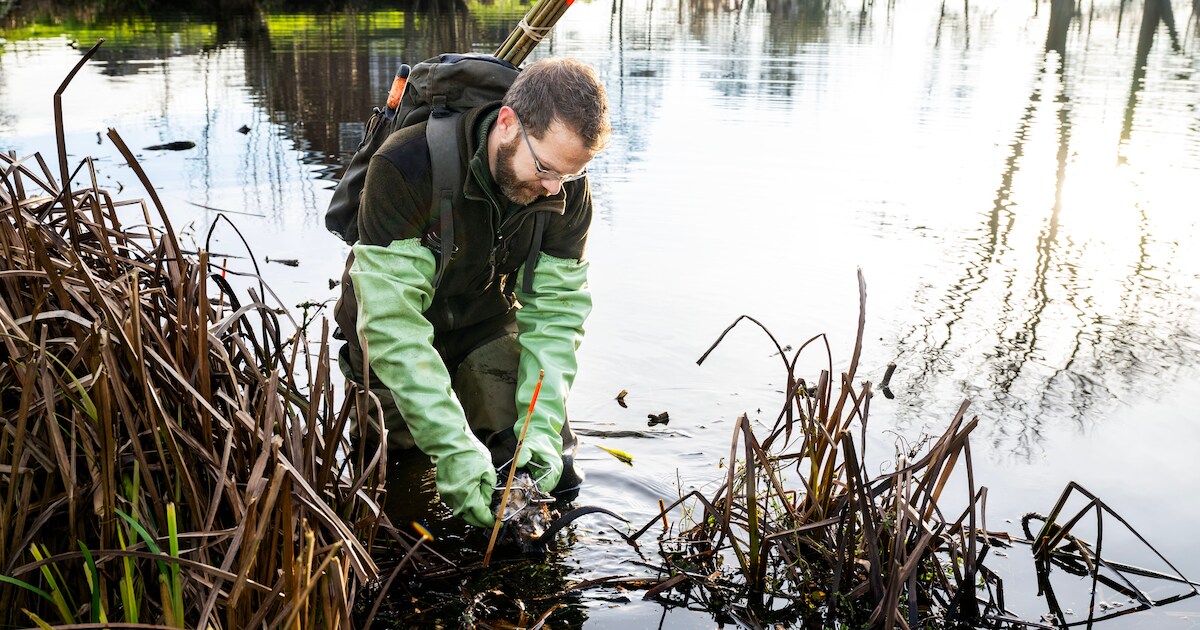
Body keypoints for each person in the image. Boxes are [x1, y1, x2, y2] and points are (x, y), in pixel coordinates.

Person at [333, 58, 611, 529]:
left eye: (567, 175)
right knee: (396, 484)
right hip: (387, 337)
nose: (553, 190)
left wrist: (541, 429)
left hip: (485, 326)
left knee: (553, 473)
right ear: (507, 123)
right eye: (544, 169)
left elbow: (556, 317)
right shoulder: (406, 165)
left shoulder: (566, 188)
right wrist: (453, 449)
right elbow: (393, 326)